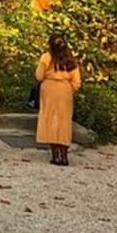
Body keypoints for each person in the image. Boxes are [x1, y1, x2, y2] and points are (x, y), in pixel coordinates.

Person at [35, 33, 82, 166]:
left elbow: (39, 76)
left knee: (50, 120)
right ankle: (64, 156)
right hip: (65, 89)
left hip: (49, 88)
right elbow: (76, 81)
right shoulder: (70, 59)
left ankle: (55, 155)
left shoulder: (46, 57)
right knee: (64, 121)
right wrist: (69, 89)